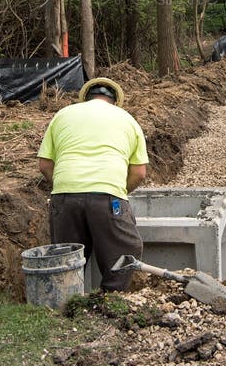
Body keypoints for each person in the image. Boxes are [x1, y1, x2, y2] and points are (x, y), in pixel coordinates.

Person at [37, 77, 149, 291]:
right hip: (107, 196)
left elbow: (44, 165)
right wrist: (118, 192)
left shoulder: (62, 116)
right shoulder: (127, 119)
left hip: (64, 196)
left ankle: (65, 305)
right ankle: (109, 299)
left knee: (66, 259)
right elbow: (139, 172)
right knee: (125, 250)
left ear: (85, 98)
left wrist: (64, 187)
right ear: (115, 101)